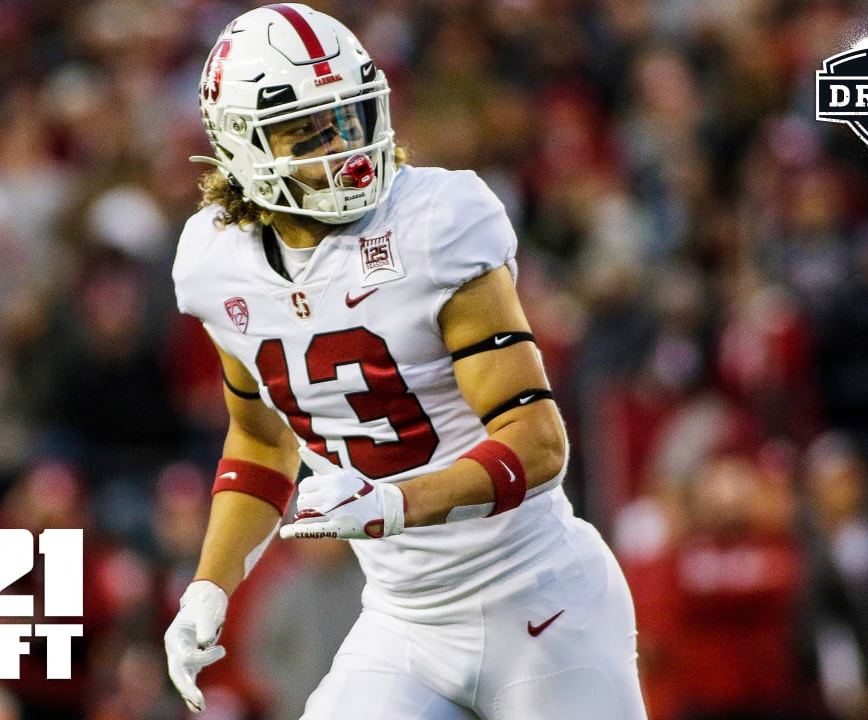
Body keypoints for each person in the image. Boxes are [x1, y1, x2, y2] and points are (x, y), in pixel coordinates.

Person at [163, 4, 648, 719]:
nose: (344, 150)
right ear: (242, 147)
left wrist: (396, 503)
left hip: (540, 601)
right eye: (306, 132)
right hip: (405, 622)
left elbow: (538, 442)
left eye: (347, 118)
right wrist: (209, 585)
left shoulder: (434, 223)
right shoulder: (216, 264)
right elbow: (262, 437)